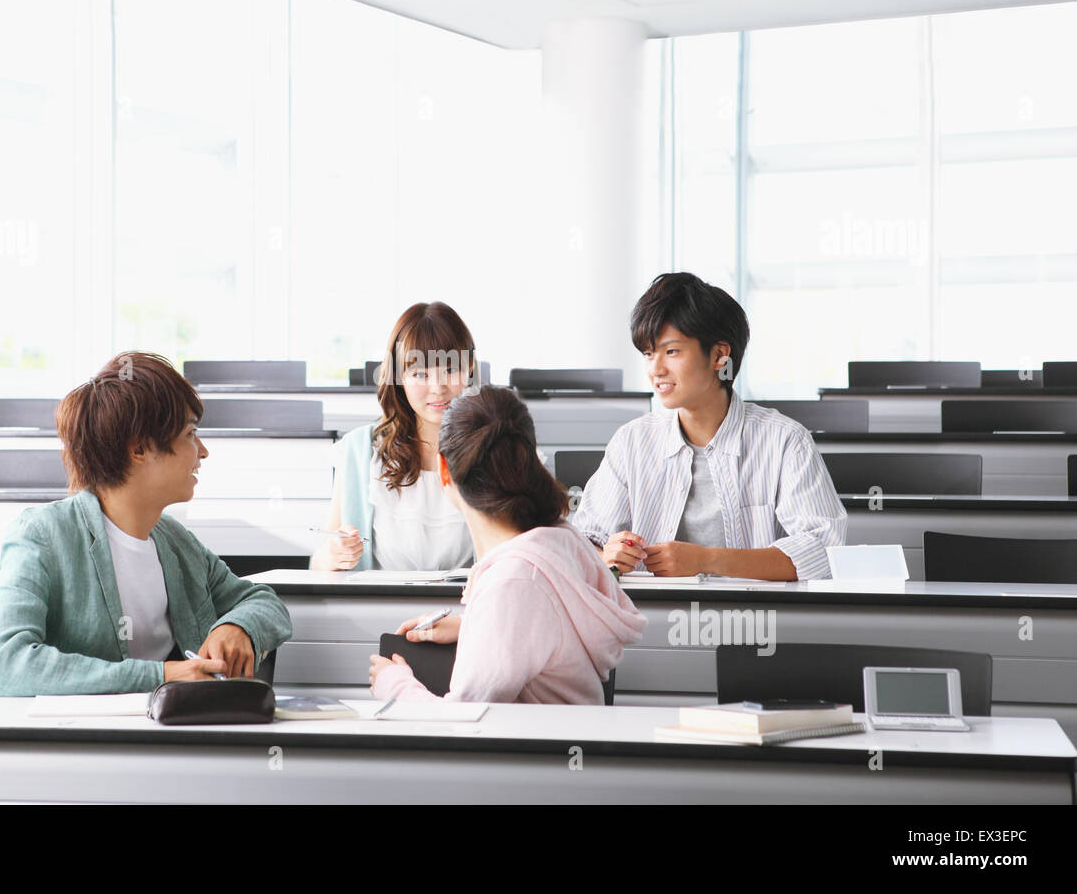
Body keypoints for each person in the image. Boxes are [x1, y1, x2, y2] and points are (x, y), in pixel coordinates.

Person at [0, 352, 293, 696]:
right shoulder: (43, 535)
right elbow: (3, 667)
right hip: (80, 742)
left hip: (173, 737)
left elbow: (264, 603)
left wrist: (238, 626)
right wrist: (162, 675)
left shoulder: (175, 541)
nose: (202, 452)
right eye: (190, 434)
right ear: (140, 448)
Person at [368, 386, 646, 704]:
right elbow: (543, 628)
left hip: (538, 753)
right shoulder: (560, 539)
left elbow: (465, 725)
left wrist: (395, 686)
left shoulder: (513, 581)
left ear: (444, 470)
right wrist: (472, 625)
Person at [574, 272, 845, 581]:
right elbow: (581, 545)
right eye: (649, 354)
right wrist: (608, 557)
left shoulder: (785, 441)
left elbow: (822, 551)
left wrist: (705, 559)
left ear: (719, 355)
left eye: (671, 351)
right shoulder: (631, 442)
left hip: (759, 623)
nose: (655, 369)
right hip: (651, 620)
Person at [311, 301, 478, 572]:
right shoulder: (359, 451)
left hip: (467, 613)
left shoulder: (496, 448)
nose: (438, 388)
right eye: (420, 374)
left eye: (450, 370)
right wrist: (333, 556)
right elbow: (318, 566)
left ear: (469, 366)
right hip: (380, 613)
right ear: (399, 377)